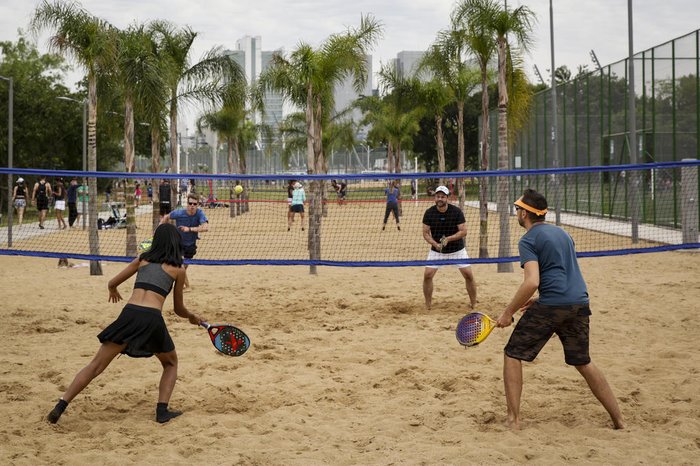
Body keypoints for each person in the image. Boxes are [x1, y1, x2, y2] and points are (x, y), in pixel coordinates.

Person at [46, 223, 205, 425]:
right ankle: (162, 411)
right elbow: (178, 309)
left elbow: (112, 282)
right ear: (176, 243)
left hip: (129, 314)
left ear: (156, 241)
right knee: (170, 363)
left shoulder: (143, 260)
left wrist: (113, 290)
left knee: (95, 366)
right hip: (152, 318)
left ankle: (61, 405)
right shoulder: (178, 270)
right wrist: (192, 317)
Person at [495, 189, 624, 431]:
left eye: (517, 209)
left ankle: (513, 420)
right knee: (583, 361)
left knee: (513, 354)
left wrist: (507, 312)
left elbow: (531, 280)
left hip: (554, 304)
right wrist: (540, 299)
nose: (516, 213)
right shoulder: (563, 234)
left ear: (524, 213)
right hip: (578, 302)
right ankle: (619, 420)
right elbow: (560, 271)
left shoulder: (528, 239)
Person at [421, 185, 477, 310]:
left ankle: (473, 303)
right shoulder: (429, 213)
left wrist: (448, 239)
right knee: (427, 275)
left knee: (469, 275)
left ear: (447, 198)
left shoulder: (456, 212)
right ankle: (428, 305)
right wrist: (435, 244)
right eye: (437, 196)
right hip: (437, 250)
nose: (439, 198)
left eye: (442, 196)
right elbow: (425, 233)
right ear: (435, 197)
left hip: (457, 249)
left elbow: (463, 232)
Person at [160, 193, 209, 289]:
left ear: (198, 205)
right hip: (177, 243)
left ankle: (181, 282)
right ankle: (186, 286)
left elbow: (205, 228)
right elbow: (166, 217)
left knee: (183, 267)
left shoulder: (199, 213)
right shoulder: (179, 212)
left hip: (190, 244)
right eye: (190, 203)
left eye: (194, 204)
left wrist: (189, 229)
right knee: (180, 266)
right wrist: (160, 229)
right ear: (187, 203)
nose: (192, 206)